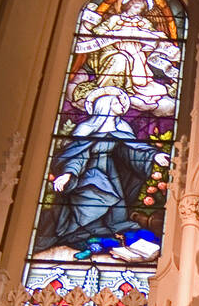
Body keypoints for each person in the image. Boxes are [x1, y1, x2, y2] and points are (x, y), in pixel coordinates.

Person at [33, 90, 168, 254]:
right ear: (106, 105)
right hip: (88, 172)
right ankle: (84, 236)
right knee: (95, 200)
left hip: (111, 170)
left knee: (117, 211)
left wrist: (154, 155)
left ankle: (110, 238)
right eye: (117, 102)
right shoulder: (86, 128)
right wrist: (68, 174)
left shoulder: (122, 127)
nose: (122, 105)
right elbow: (78, 154)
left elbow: (132, 150)